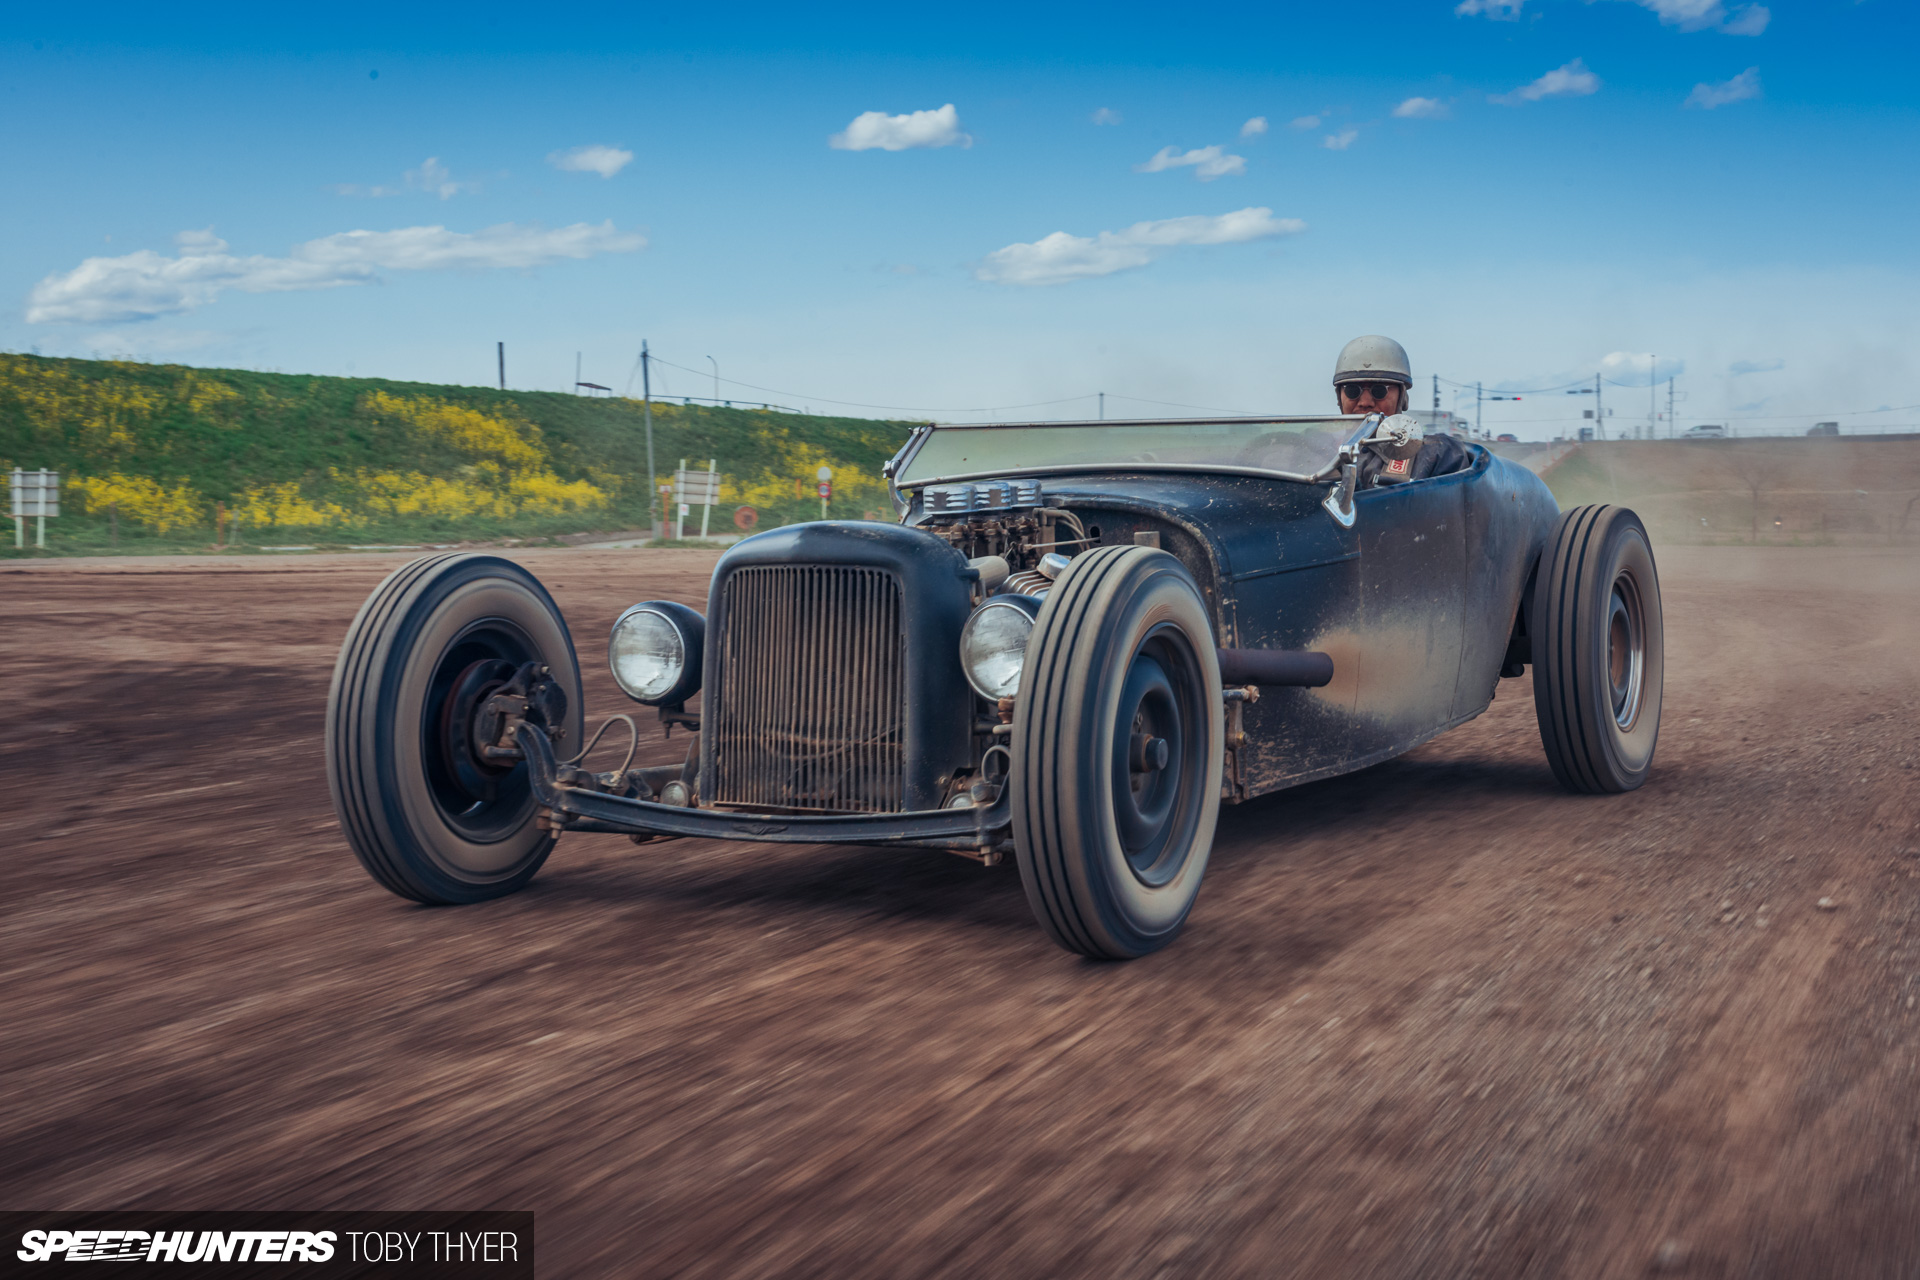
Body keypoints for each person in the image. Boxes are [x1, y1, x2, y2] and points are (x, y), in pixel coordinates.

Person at [1332, 335, 1470, 486]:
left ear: (1402, 397)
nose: (1365, 402)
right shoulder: (1320, 454)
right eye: (1352, 390)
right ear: (1339, 397)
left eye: (1380, 390)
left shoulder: (1439, 454)